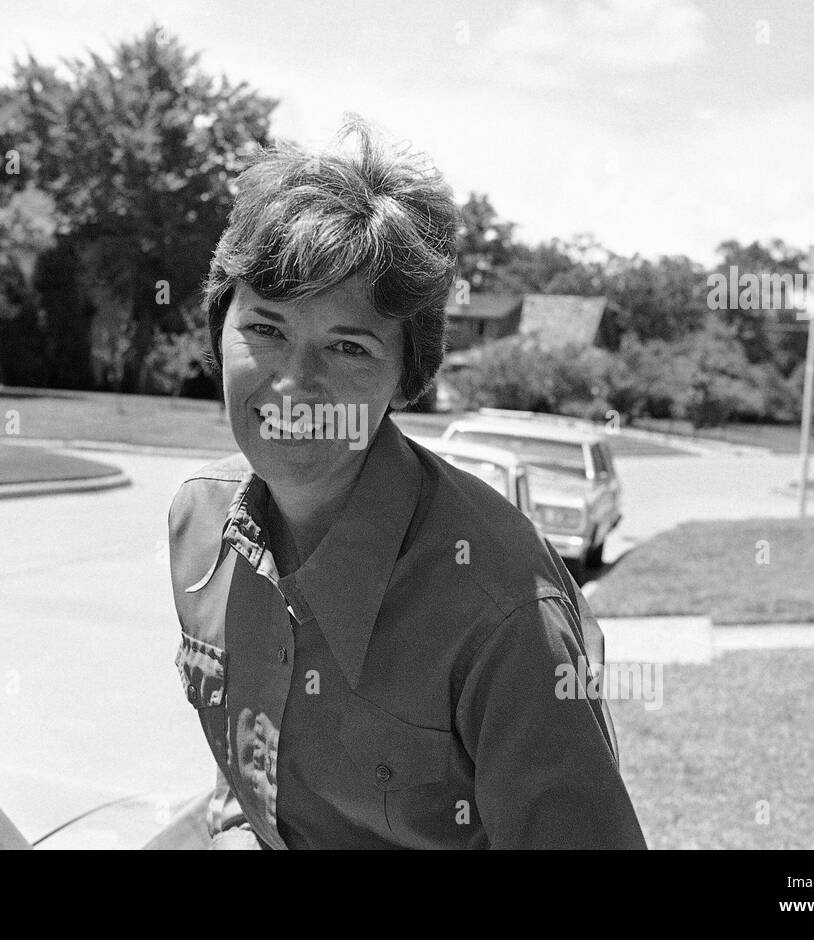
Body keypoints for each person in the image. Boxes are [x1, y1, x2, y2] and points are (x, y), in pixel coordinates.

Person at [153, 116, 647, 849]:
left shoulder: (504, 609)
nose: (294, 383)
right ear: (217, 330)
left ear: (405, 377)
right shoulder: (198, 520)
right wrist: (230, 824)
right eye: (265, 328)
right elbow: (250, 760)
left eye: (347, 345)